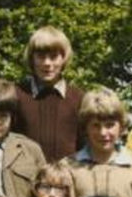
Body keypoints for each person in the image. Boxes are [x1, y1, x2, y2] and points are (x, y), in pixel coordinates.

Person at [14, 26, 84, 162]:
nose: (47, 63)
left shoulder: (79, 98)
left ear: (64, 58)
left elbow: (84, 146)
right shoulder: (17, 94)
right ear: (32, 58)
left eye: (53, 57)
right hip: (25, 177)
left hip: (68, 177)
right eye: (41, 57)